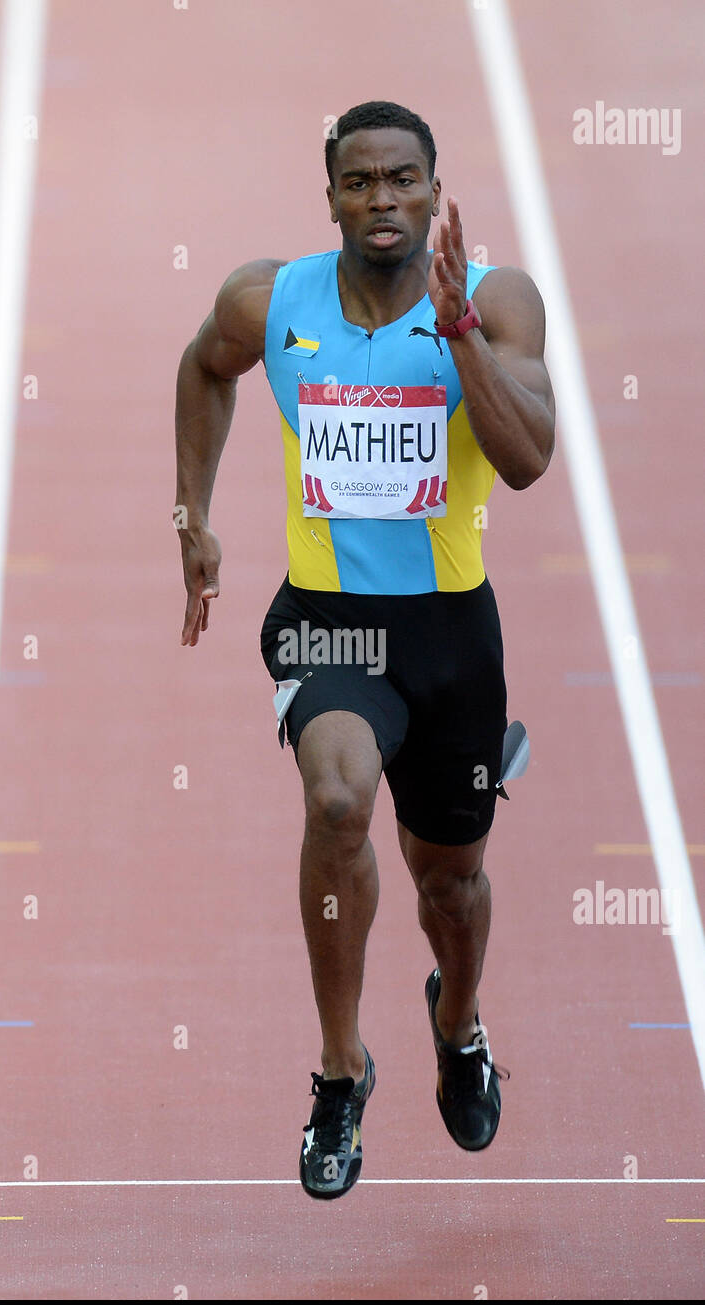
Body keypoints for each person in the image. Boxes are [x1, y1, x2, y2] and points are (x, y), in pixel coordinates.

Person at [174, 101, 555, 1201]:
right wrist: (189, 517)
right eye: (358, 182)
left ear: (435, 190)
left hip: (447, 631)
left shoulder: (496, 301)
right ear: (329, 193)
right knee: (337, 804)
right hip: (327, 613)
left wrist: (459, 334)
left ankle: (457, 1016)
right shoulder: (272, 297)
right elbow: (205, 367)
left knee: (454, 883)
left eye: (401, 180)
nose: (380, 200)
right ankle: (341, 1066)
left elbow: (526, 460)